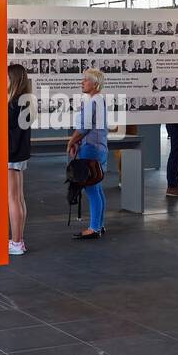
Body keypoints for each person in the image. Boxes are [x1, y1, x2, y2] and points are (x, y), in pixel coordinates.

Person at [67, 68, 108, 240]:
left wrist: (71, 141)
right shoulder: (97, 100)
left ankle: (94, 228)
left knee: (91, 188)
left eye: (85, 80)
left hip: (91, 148)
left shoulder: (93, 101)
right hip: (97, 147)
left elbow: (84, 127)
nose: (82, 82)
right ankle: (99, 224)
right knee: (97, 188)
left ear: (95, 83)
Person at [7, 64, 32, 255]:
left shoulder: (14, 103)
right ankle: (19, 240)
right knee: (19, 198)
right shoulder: (25, 101)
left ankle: (16, 242)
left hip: (11, 155)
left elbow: (9, 131)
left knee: (13, 199)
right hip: (20, 154)